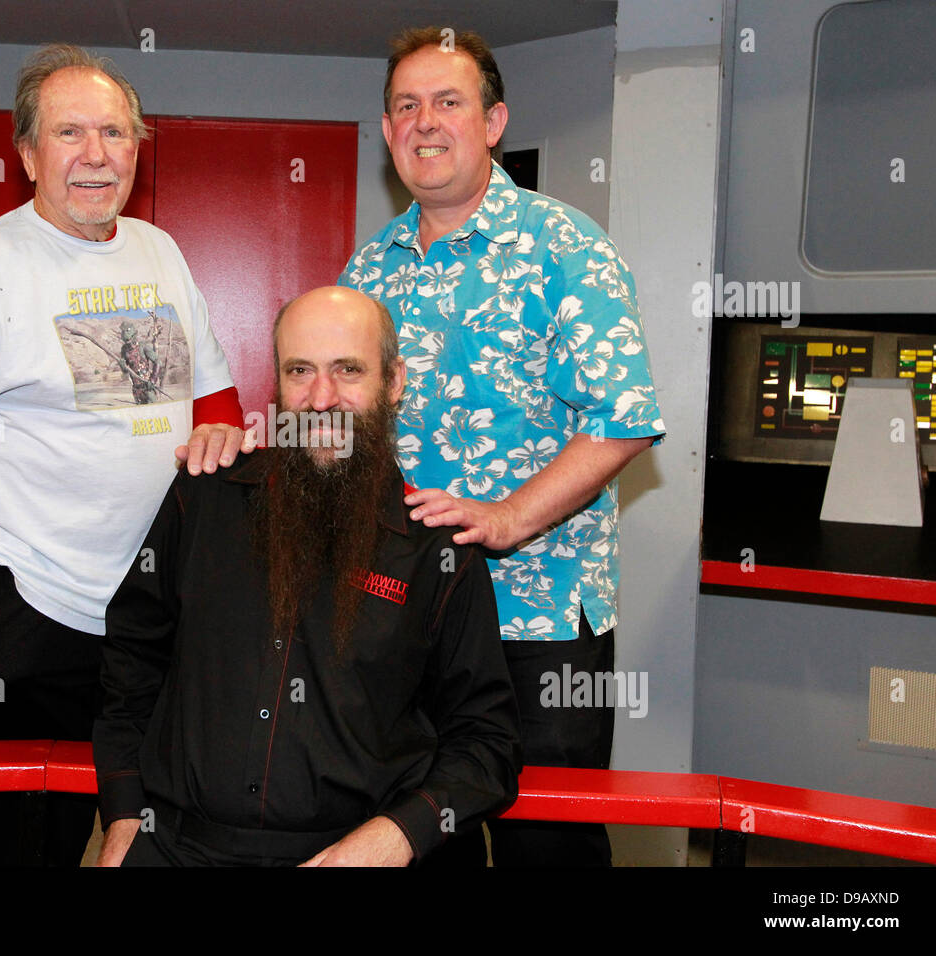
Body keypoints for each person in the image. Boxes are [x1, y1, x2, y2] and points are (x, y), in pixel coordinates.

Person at [0, 43, 249, 866]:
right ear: (26, 154)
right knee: (33, 849)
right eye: (70, 133)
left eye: (116, 133)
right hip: (35, 617)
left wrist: (218, 443)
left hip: (160, 617)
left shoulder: (161, 251)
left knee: (160, 837)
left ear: (137, 149)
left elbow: (216, 403)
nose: (96, 154)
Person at [338, 27, 666, 867]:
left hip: (543, 614)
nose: (426, 121)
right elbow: (338, 421)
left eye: (449, 101)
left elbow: (624, 416)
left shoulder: (568, 246)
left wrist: (511, 517)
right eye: (405, 106)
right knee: (417, 830)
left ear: (493, 122)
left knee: (546, 842)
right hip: (407, 608)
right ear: (385, 132)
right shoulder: (369, 271)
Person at [93, 286, 521, 867]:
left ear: (393, 383)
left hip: (361, 855)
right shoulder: (204, 497)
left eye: (349, 370)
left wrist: (393, 838)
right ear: (276, 382)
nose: (322, 399)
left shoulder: (439, 552)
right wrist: (122, 818)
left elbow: (486, 741)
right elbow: (130, 663)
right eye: (301, 371)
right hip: (180, 846)